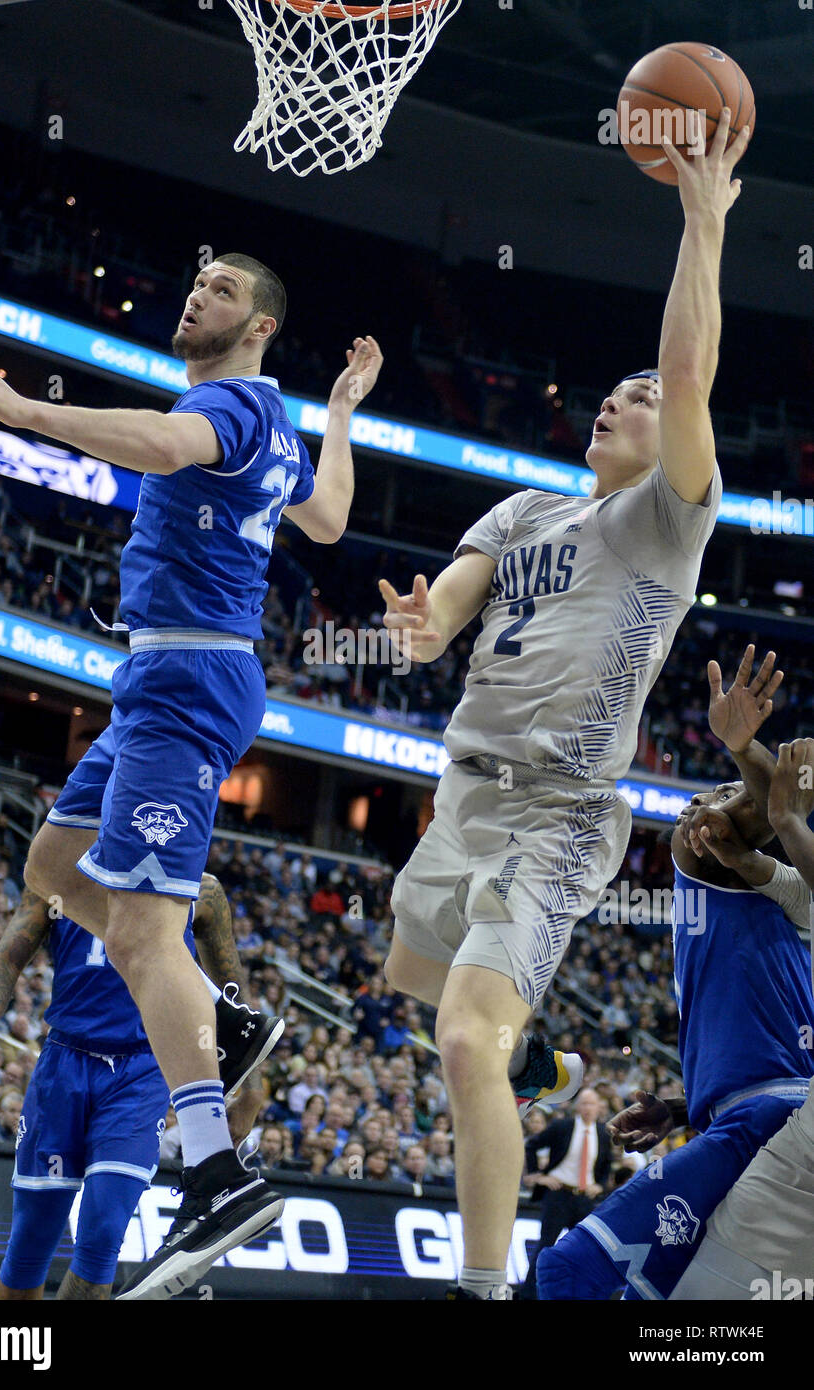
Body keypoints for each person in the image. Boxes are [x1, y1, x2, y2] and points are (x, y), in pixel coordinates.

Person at [0, 255, 382, 1300]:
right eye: (195, 281)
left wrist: (23, 409)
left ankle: (216, 1174)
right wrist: (342, 412)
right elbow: (331, 519)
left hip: (187, 678)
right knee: (50, 863)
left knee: (134, 930)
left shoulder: (223, 407)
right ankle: (226, 1017)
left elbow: (165, 443)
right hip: (159, 681)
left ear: (258, 325)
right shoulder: (276, 426)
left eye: (220, 288)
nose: (195, 294)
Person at [377, 114, 750, 1300]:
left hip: (559, 809)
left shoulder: (661, 521)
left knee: (461, 1040)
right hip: (461, 792)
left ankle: (486, 1292)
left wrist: (700, 223)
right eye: (608, 392)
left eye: (636, 397)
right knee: (411, 983)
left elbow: (686, 370)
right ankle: (553, 1064)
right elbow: (447, 602)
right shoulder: (520, 511)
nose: (619, 400)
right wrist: (424, 623)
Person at [537, 651, 814, 1301]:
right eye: (702, 796)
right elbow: (763, 809)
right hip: (739, 1118)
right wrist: (681, 1107)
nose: (705, 809)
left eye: (715, 797)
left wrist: (745, 751)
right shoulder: (728, 886)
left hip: (767, 1118)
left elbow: (763, 807)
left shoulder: (757, 878)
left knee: (570, 1269)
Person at [0, 875, 281, 1300]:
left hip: (141, 1070)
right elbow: (8, 958)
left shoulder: (202, 890)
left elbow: (233, 997)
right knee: (31, 1238)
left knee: (101, 1236)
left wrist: (251, 1085)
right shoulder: (60, 870)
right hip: (65, 1061)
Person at [669, 737, 814, 1300]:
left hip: (771, 1116)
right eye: (719, 793)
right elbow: (752, 821)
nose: (730, 801)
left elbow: (769, 823)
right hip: (760, 1120)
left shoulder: (783, 897)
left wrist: (744, 750)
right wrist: (744, 751)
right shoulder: (700, 863)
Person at [518, 1089, 611, 1299]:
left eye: (592, 1104)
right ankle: (528, 1294)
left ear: (598, 1108)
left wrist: (599, 1185)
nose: (588, 1108)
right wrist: (537, 1175)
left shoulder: (603, 1133)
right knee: (546, 1244)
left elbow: (606, 1166)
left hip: (584, 1198)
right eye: (584, 1104)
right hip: (559, 1194)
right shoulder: (563, 1127)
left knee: (587, 1249)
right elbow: (532, 1145)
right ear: (578, 1107)